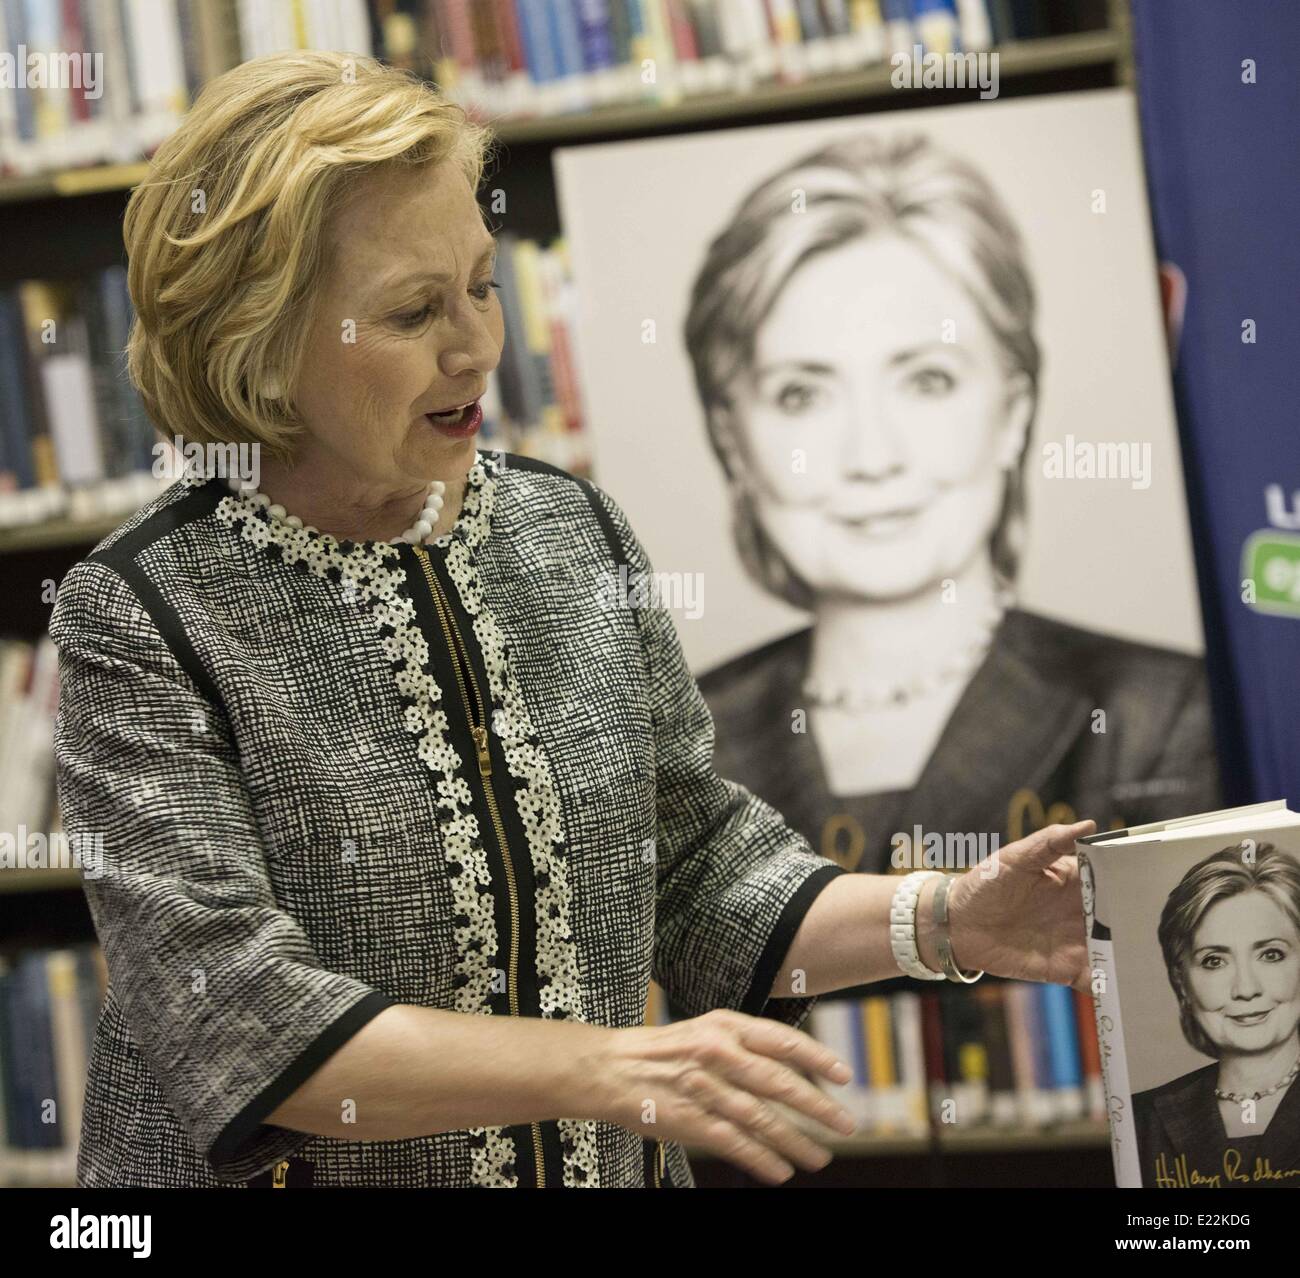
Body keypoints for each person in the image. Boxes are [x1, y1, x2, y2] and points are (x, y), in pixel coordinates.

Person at [52, 51, 1096, 1190]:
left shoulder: (568, 529)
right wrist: (599, 1068)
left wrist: (945, 920)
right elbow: (234, 1016)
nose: (478, 346)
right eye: (412, 311)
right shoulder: (145, 609)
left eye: (482, 286)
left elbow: (693, 870)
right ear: (255, 340)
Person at [684, 133, 1221, 876]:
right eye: (801, 394)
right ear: (731, 438)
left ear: (1013, 410)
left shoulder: (1158, 712)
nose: (871, 455)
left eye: (927, 381)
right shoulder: (681, 740)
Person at [1132, 844, 1300, 1187]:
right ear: (1182, 981)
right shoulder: (1140, 1119)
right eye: (1214, 961)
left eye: (1271, 954)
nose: (1245, 988)